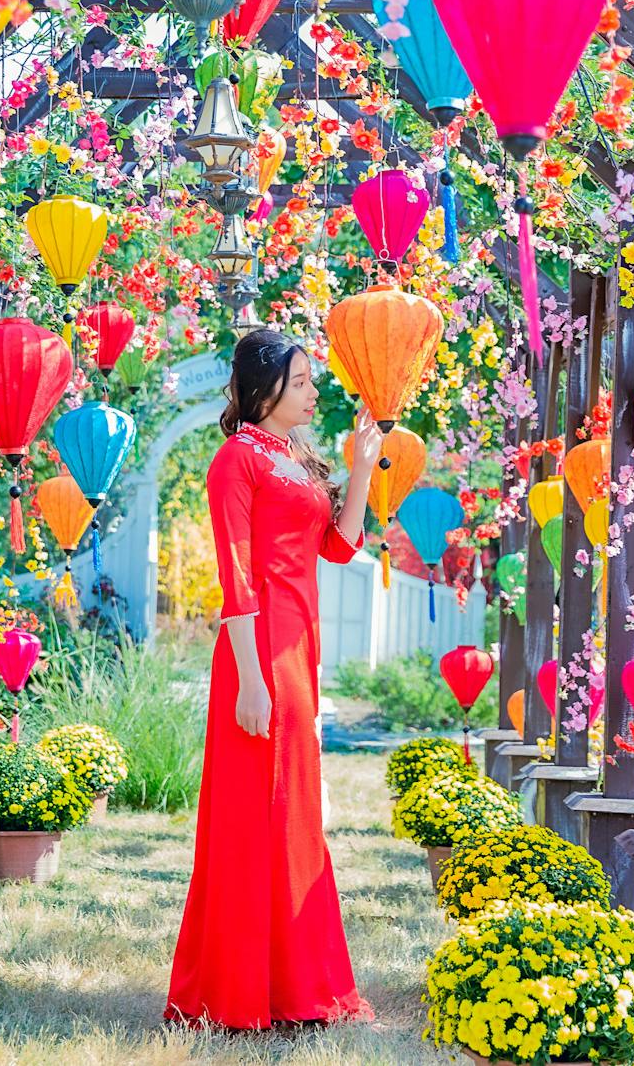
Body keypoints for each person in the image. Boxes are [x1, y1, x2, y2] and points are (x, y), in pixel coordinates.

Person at [165, 327, 382, 1029]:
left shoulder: (295, 456)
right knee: (253, 817)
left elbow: (341, 547)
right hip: (258, 656)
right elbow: (235, 579)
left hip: (301, 649)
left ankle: (294, 983)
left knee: (294, 816)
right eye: (302, 379)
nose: (314, 389)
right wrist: (251, 680)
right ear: (265, 390)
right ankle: (239, 988)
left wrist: (364, 466)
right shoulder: (236, 460)